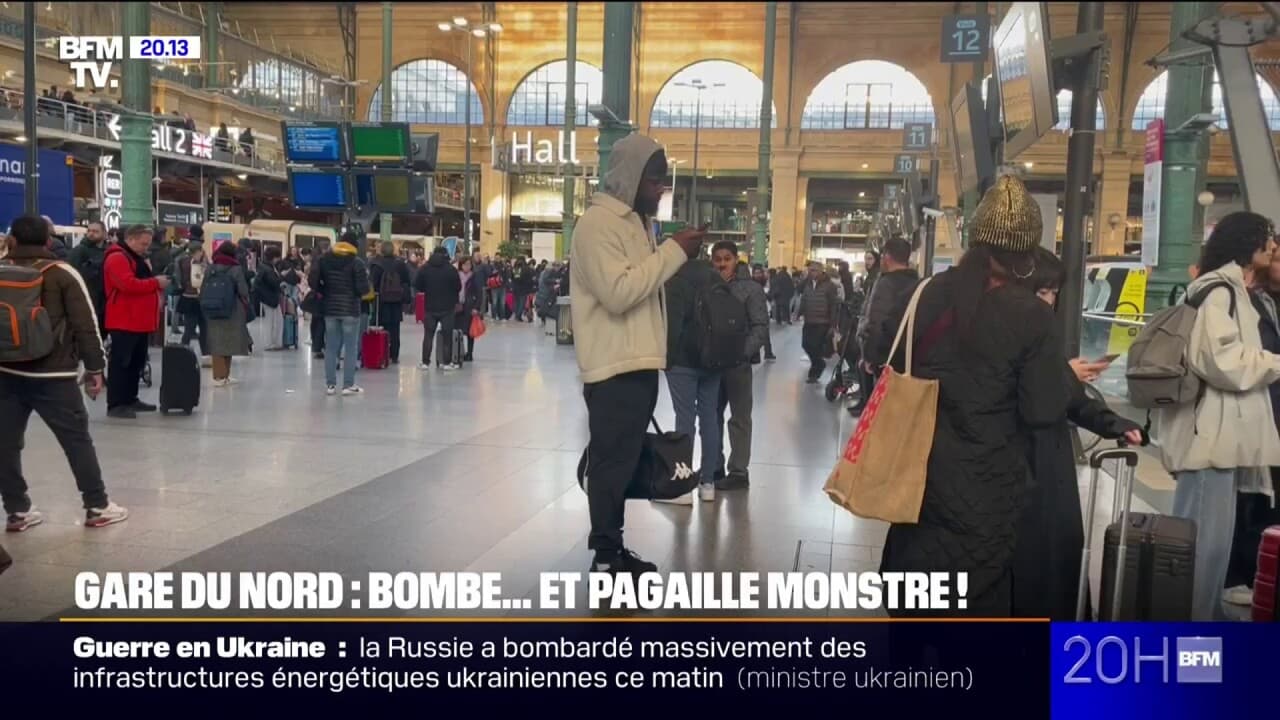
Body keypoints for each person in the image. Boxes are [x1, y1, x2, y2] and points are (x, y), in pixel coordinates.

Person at [873, 174, 1070, 618]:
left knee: (915, 585)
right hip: (988, 491)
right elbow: (1042, 410)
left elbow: (887, 356)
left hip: (916, 473)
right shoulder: (1033, 316)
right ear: (1027, 255)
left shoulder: (925, 293)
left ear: (974, 240)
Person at [570, 132, 706, 575]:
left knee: (623, 461)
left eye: (664, 179)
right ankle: (606, 558)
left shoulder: (637, 223)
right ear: (629, 177)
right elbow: (618, 293)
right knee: (612, 464)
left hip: (638, 365)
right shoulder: (597, 225)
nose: (661, 188)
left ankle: (613, 548)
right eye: (654, 179)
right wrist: (674, 252)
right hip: (613, 369)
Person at [1154, 210, 1280, 620]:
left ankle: (1204, 617)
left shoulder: (1227, 288)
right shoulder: (1219, 290)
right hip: (1208, 436)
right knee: (1202, 545)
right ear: (1247, 242)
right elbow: (1219, 360)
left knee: (1212, 543)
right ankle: (1192, 627)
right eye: (1267, 237)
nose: (1273, 245)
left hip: (1217, 437)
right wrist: (1274, 363)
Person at [1009, 247, 1144, 620]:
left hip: (1050, 466)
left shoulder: (1043, 337)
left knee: (1059, 555)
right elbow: (1030, 399)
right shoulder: (1003, 338)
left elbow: (1072, 401)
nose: (1049, 302)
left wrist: (1117, 425)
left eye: (1053, 293)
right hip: (1021, 468)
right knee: (1034, 562)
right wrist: (1066, 376)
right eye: (1042, 292)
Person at [0, 215, 128, 530]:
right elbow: (86, 325)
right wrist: (96, 368)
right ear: (49, 240)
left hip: (6, 371)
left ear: (12, 240)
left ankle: (17, 511)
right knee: (76, 441)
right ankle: (97, 506)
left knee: (5, 444)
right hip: (53, 374)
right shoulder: (61, 273)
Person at [660, 244, 724, 504]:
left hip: (683, 362)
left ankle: (683, 487)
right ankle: (708, 483)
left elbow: (672, 325)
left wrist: (666, 359)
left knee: (685, 418)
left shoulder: (675, 280)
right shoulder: (716, 278)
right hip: (714, 359)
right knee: (710, 418)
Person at [712, 246, 770, 491]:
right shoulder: (707, 286)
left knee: (740, 418)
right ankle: (713, 465)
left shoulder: (751, 289)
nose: (722, 264)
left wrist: (742, 353)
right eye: (717, 259)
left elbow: (760, 326)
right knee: (711, 416)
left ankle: (738, 471)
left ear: (736, 260)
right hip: (711, 364)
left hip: (738, 365)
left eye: (727, 259)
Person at [103, 224, 169, 418]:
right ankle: (116, 403)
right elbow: (127, 284)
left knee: (136, 361)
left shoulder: (135, 258)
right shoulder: (117, 258)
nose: (146, 248)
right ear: (130, 239)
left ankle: (130, 398)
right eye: (143, 244)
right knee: (122, 363)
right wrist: (155, 282)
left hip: (138, 320)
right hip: (124, 319)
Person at [854, 236, 920, 412]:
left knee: (881, 408)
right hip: (909, 357)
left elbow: (877, 322)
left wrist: (869, 357)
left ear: (887, 257)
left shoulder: (885, 284)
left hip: (885, 357)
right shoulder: (917, 283)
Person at [308, 233, 371, 396]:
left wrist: (325, 291)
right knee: (350, 347)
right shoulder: (357, 262)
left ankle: (330, 385)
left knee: (330, 346)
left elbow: (313, 281)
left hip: (330, 309)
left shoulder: (324, 260)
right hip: (350, 309)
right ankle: (348, 385)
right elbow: (363, 289)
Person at [205, 241, 252, 386]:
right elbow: (243, 290)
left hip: (213, 306)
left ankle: (220, 376)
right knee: (229, 340)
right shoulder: (236, 268)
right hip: (233, 309)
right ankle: (223, 376)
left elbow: (204, 286)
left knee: (216, 340)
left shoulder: (211, 267)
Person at [414, 246, 462, 370]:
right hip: (447, 307)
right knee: (447, 336)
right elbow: (458, 287)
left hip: (430, 306)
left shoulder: (425, 268)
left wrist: (427, 289)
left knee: (428, 335)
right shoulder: (451, 270)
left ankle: (425, 362)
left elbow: (417, 284)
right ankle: (446, 363)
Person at [368, 241, 411, 364]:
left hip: (381, 301)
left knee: (381, 327)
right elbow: (407, 281)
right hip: (396, 302)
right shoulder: (400, 264)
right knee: (395, 329)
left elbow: (372, 283)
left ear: (381, 250)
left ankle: (382, 352)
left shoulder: (376, 264)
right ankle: (394, 355)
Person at [798, 261, 839, 384]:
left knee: (815, 346)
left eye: (814, 270)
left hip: (822, 322)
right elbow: (803, 297)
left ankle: (815, 372)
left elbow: (833, 305)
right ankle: (819, 363)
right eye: (810, 270)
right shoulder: (807, 284)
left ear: (821, 271)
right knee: (805, 344)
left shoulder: (829, 286)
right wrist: (798, 313)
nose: (812, 273)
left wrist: (833, 324)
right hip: (809, 320)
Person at [66, 220, 108, 337]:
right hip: (87, 297)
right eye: (89, 231)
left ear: (104, 233)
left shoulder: (107, 250)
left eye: (95, 231)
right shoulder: (79, 250)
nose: (91, 233)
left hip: (103, 299)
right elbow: (72, 273)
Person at [456, 256, 483, 362]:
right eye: (464, 264)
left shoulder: (474, 277)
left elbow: (479, 293)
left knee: (470, 332)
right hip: (458, 306)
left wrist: (476, 307)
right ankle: (458, 351)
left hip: (470, 307)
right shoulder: (457, 275)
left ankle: (470, 353)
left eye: (468, 264)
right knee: (458, 330)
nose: (466, 266)